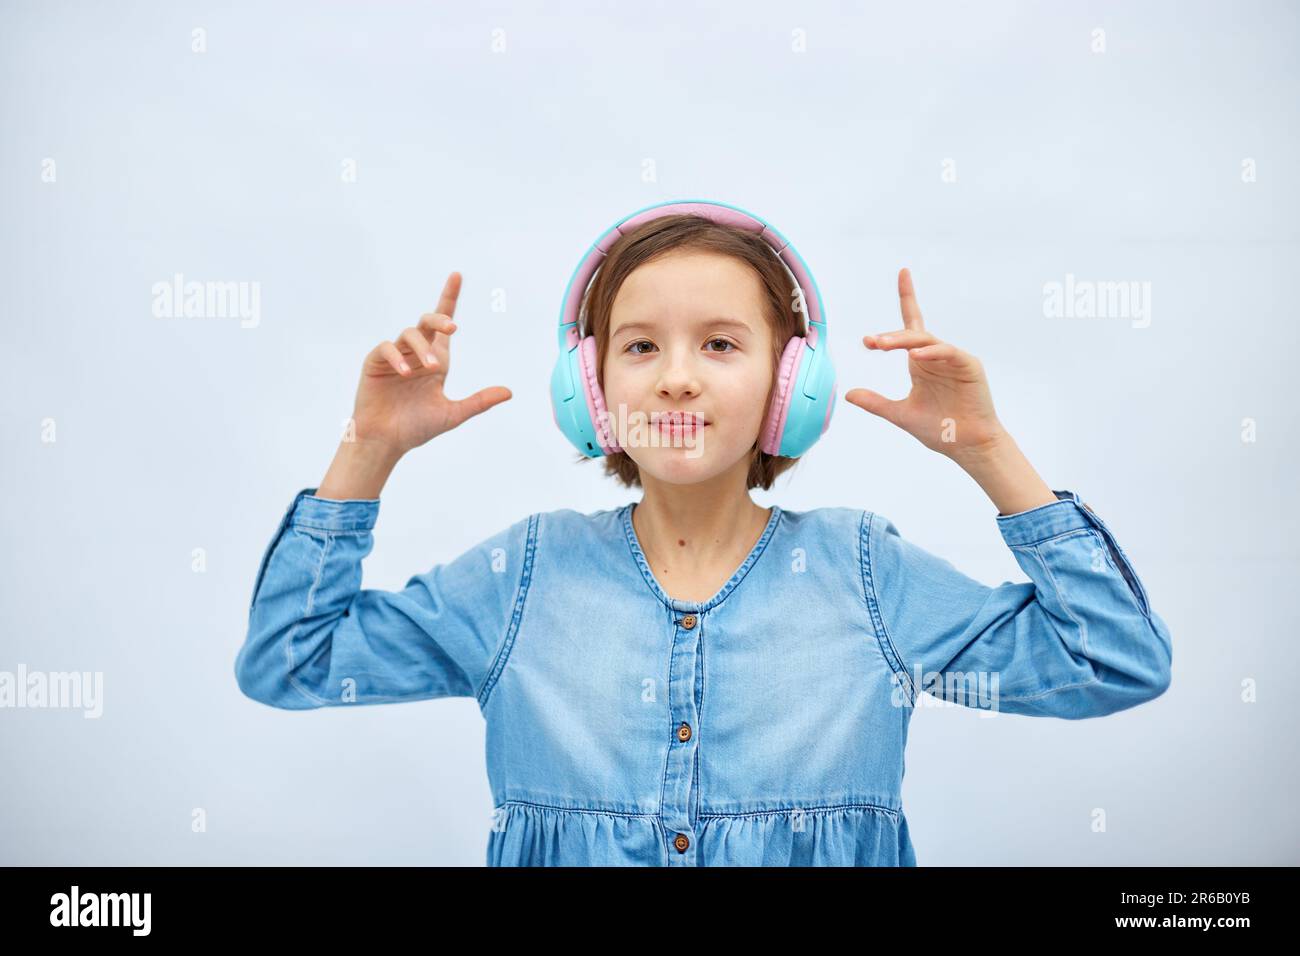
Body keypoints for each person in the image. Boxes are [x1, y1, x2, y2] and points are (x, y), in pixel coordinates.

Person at [234, 208, 1173, 866]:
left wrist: (989, 451)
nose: (675, 379)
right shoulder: (523, 575)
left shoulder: (865, 573)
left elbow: (1113, 662)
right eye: (640, 347)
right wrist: (369, 449)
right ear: (592, 391)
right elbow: (290, 662)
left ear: (790, 384)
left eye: (720, 344)